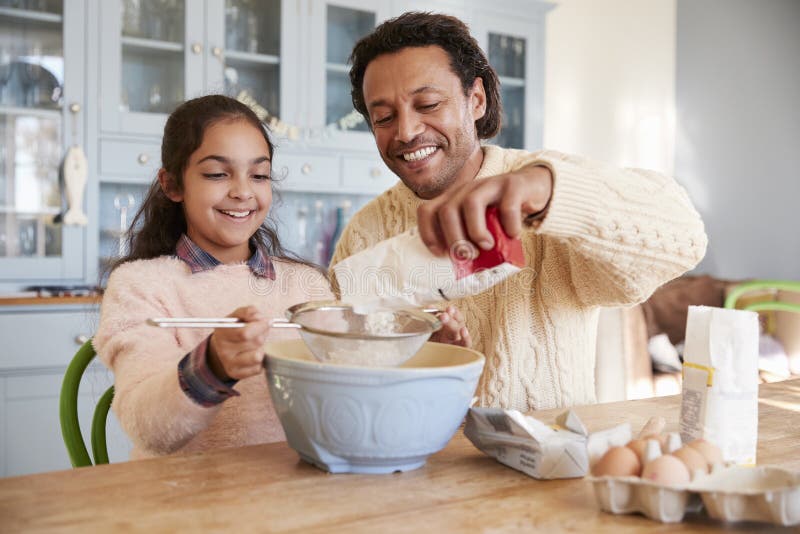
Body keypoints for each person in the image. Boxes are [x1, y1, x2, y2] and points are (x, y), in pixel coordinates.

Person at [330, 12, 708, 412]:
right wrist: (416, 359)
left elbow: (685, 236)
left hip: (548, 465)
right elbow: (340, 375)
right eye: (384, 117)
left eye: (427, 103)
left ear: (475, 100)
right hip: (413, 463)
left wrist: (545, 191)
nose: (405, 131)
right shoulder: (366, 231)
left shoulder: (544, 188)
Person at [94, 95, 467, 459]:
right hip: (182, 501)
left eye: (259, 175)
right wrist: (211, 367)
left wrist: (417, 347)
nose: (242, 192)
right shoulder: (140, 285)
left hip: (292, 491)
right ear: (173, 185)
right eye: (216, 174)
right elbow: (148, 427)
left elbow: (351, 392)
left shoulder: (306, 285)